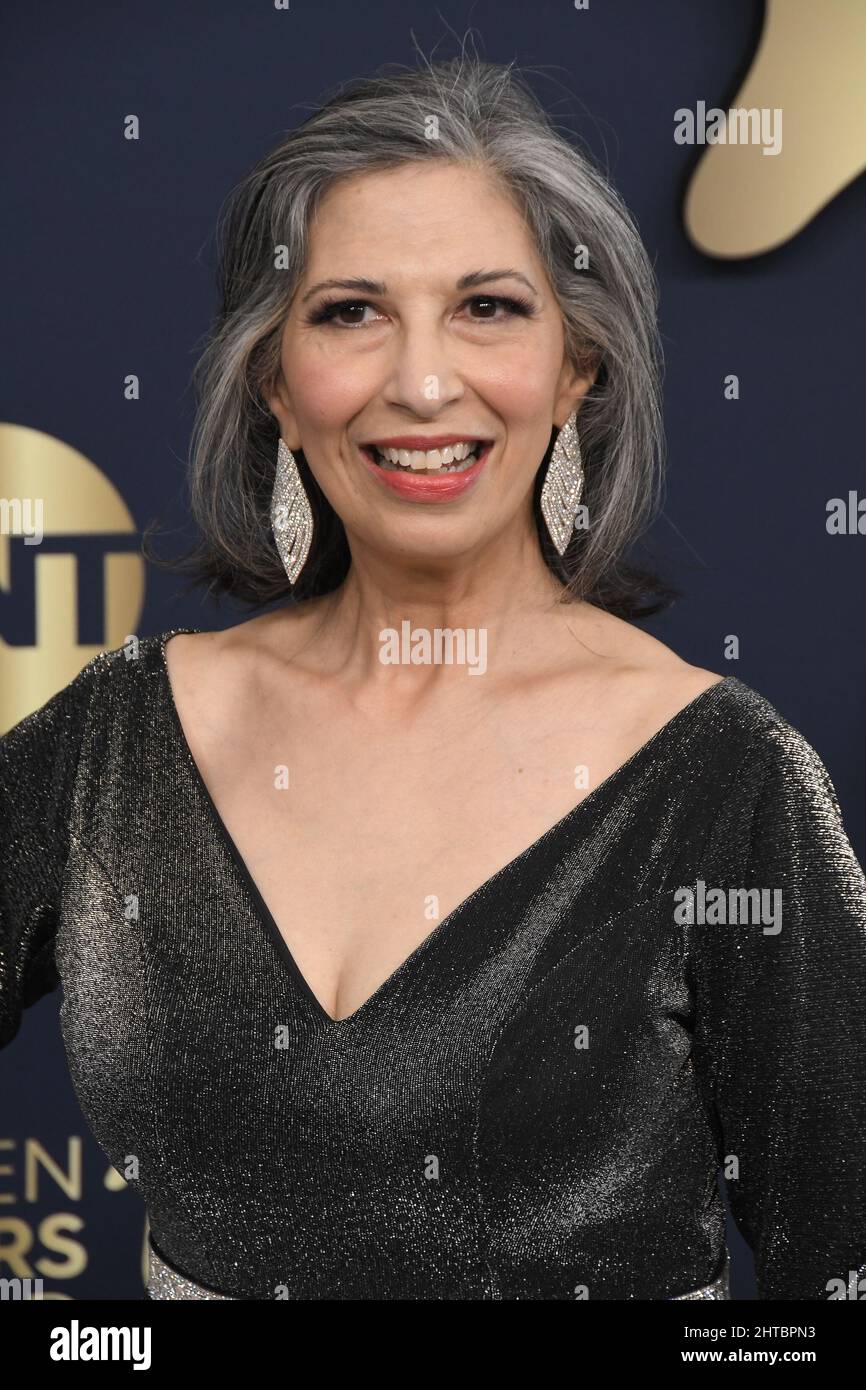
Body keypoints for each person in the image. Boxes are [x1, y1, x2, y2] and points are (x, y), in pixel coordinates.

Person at [2, 53, 865, 1302]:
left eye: (488, 308)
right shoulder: (123, 736)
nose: (419, 381)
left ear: (578, 370)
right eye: (349, 310)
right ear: (275, 386)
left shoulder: (723, 779)